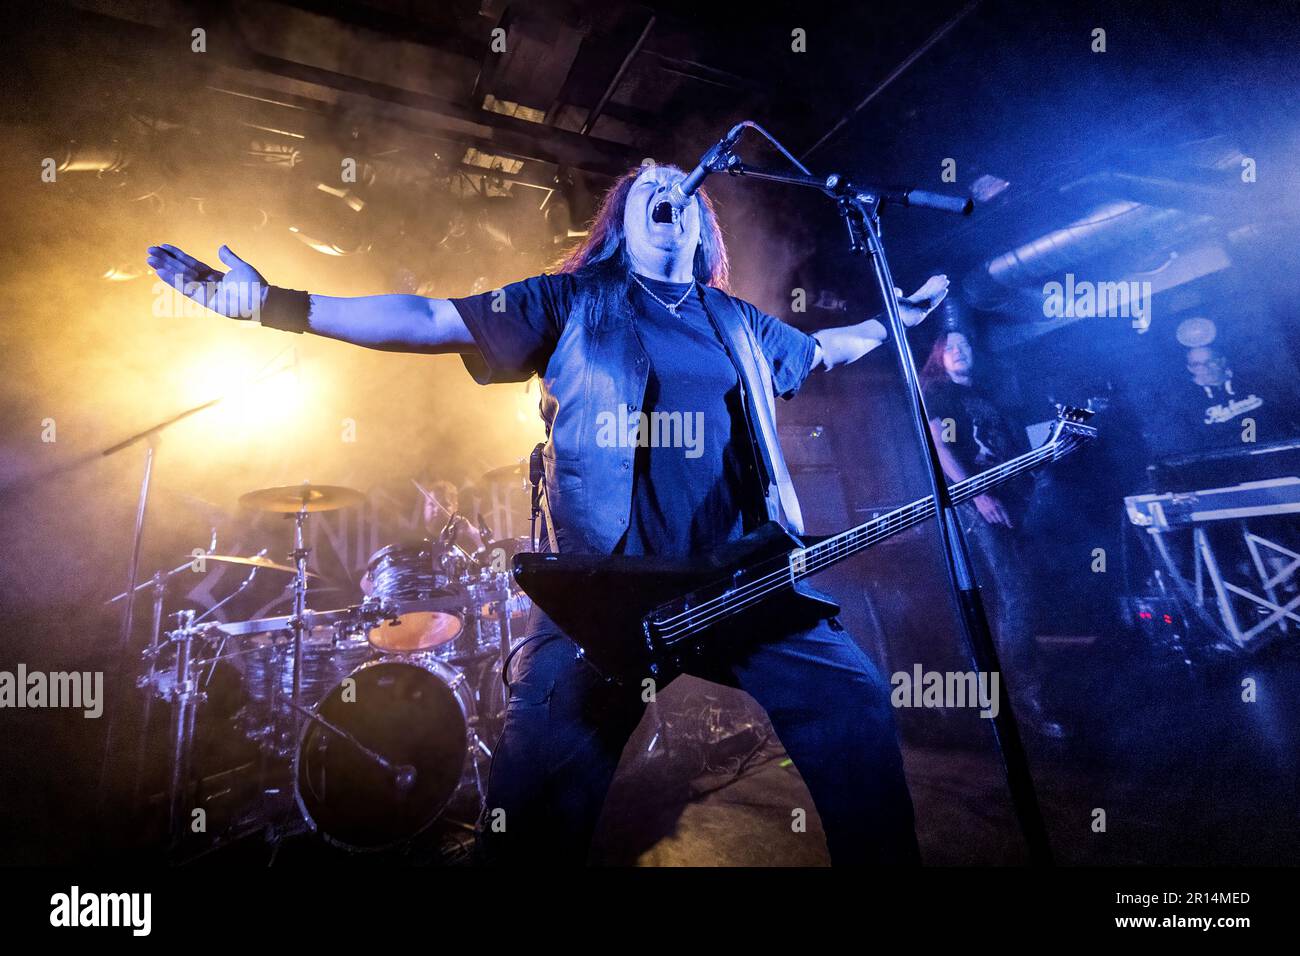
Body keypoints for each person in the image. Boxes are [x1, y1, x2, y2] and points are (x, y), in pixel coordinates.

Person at [146, 161, 949, 865]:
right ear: (621, 224)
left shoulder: (737, 322)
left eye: (679, 183)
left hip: (748, 581)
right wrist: (273, 305)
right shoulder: (571, 301)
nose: (666, 183)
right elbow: (431, 319)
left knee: (854, 711)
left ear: (702, 227)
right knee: (534, 812)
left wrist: (897, 321)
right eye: (645, 184)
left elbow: (826, 348)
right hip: (608, 592)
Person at [920, 318, 1061, 737]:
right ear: (939, 359)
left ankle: (1020, 687)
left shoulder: (987, 395)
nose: (960, 351)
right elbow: (941, 448)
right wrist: (976, 496)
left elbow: (1012, 445)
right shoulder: (939, 395)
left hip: (1014, 498)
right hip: (979, 503)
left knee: (1021, 592)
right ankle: (1025, 696)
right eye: (951, 347)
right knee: (1015, 591)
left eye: (965, 345)